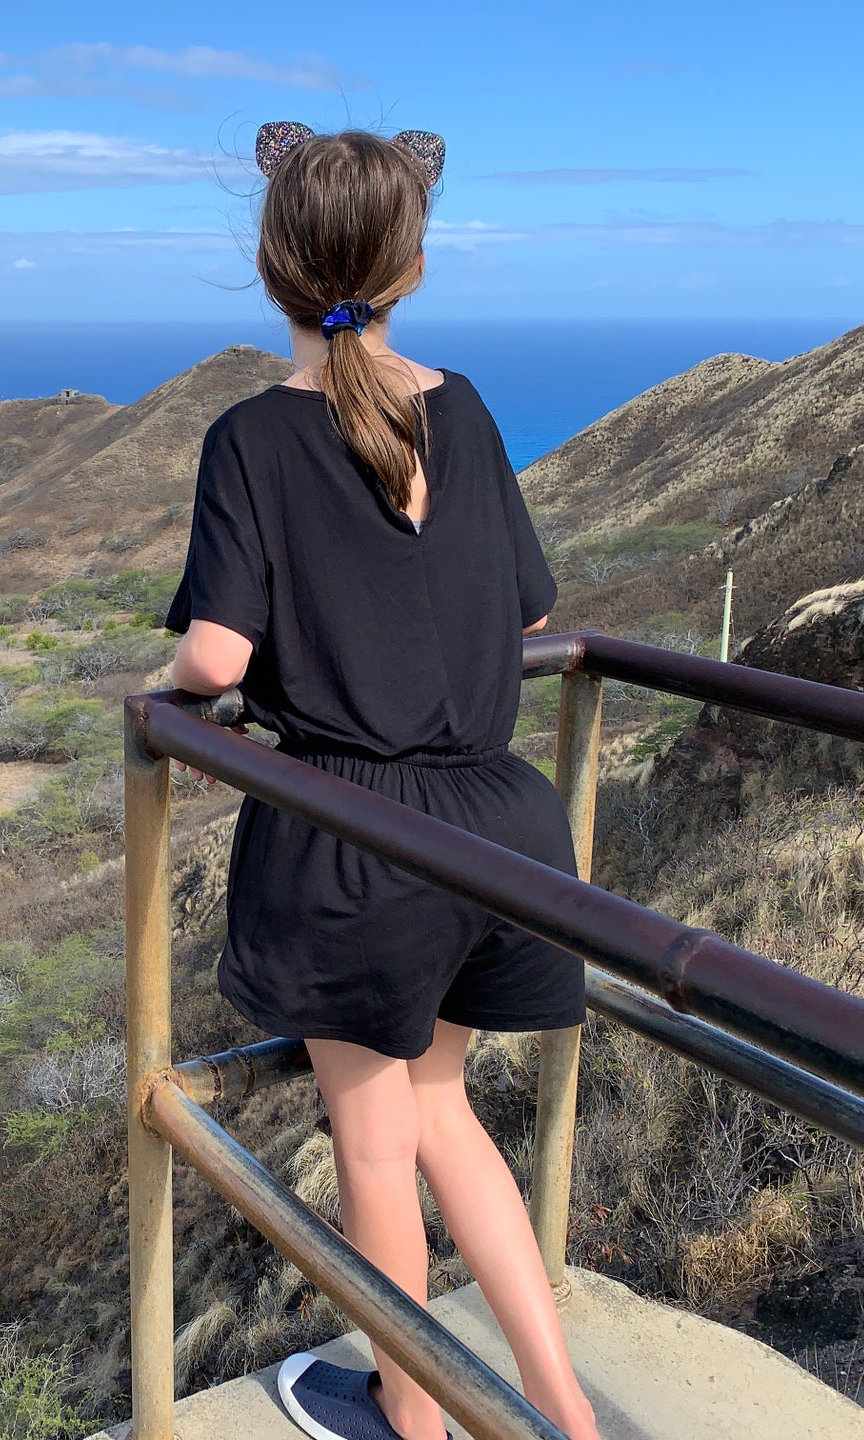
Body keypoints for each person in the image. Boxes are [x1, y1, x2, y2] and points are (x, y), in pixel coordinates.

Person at [165, 123, 602, 1440]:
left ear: (273, 268)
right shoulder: (462, 408)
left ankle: (411, 1422)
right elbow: (532, 610)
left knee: (373, 1147)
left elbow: (216, 656)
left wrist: (176, 687)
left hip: (359, 844)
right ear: (410, 264)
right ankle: (565, 1414)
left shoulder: (254, 437)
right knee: (444, 1114)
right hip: (502, 829)